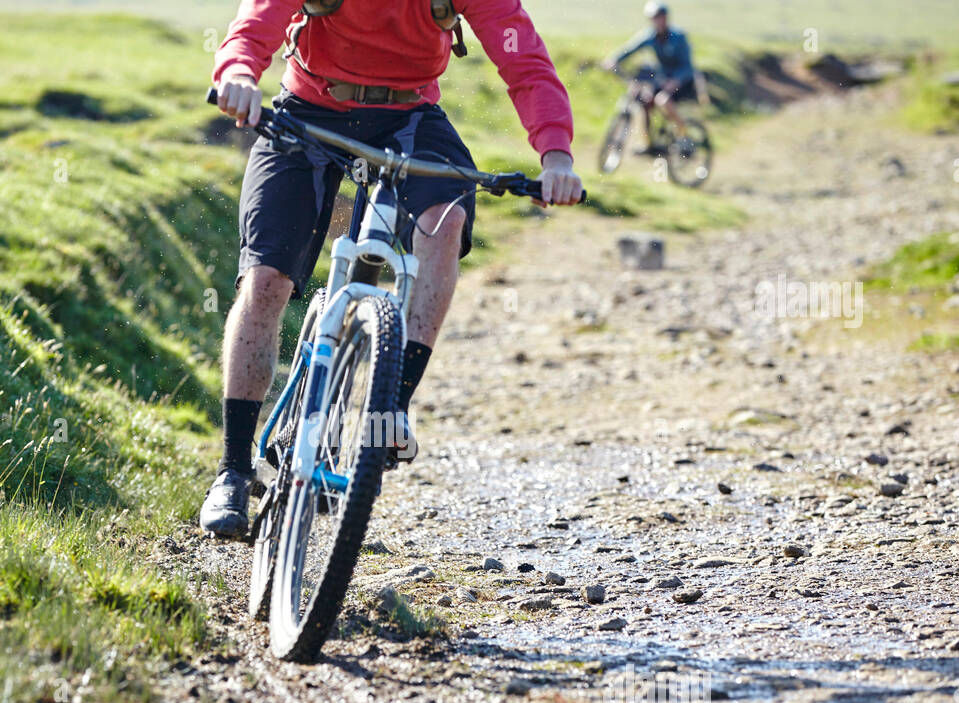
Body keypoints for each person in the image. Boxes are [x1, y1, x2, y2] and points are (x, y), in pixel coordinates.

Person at [201, 0, 585, 538]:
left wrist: (556, 155)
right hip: (308, 107)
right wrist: (239, 70)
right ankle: (234, 472)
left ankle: (392, 406)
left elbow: (524, 63)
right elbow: (258, 21)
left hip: (409, 119)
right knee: (266, 281)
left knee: (444, 223)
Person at [602, 2, 697, 152]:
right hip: (664, 80)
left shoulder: (679, 37)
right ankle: (648, 143)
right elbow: (630, 49)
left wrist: (675, 81)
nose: (658, 21)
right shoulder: (649, 36)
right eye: (654, 18)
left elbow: (687, 66)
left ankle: (684, 135)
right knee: (644, 102)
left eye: (660, 17)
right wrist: (613, 60)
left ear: (666, 18)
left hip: (683, 81)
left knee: (663, 100)